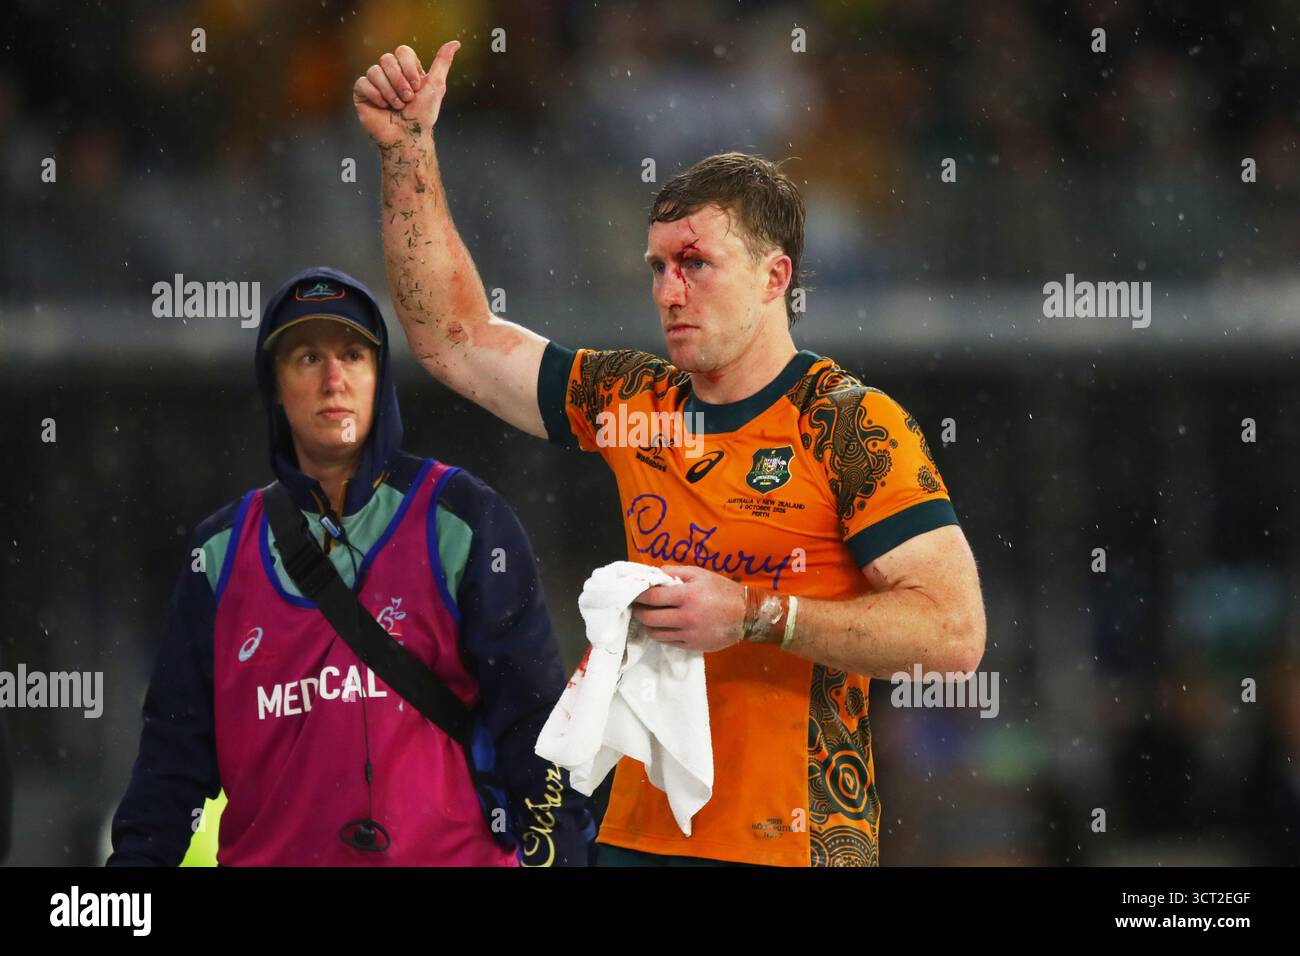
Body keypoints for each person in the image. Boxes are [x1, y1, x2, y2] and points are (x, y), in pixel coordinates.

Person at [353, 43, 986, 867]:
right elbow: (453, 340)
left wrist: (758, 614)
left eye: (695, 264)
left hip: (791, 844)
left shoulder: (850, 427)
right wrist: (406, 152)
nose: (667, 291)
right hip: (626, 836)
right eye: (657, 267)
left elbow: (954, 632)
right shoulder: (636, 405)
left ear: (773, 277)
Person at [108, 265, 592, 866]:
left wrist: (565, 856)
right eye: (307, 358)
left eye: (354, 355)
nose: (334, 378)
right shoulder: (218, 555)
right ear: (276, 385)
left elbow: (535, 724)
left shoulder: (462, 517)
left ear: (378, 376)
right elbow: (171, 761)